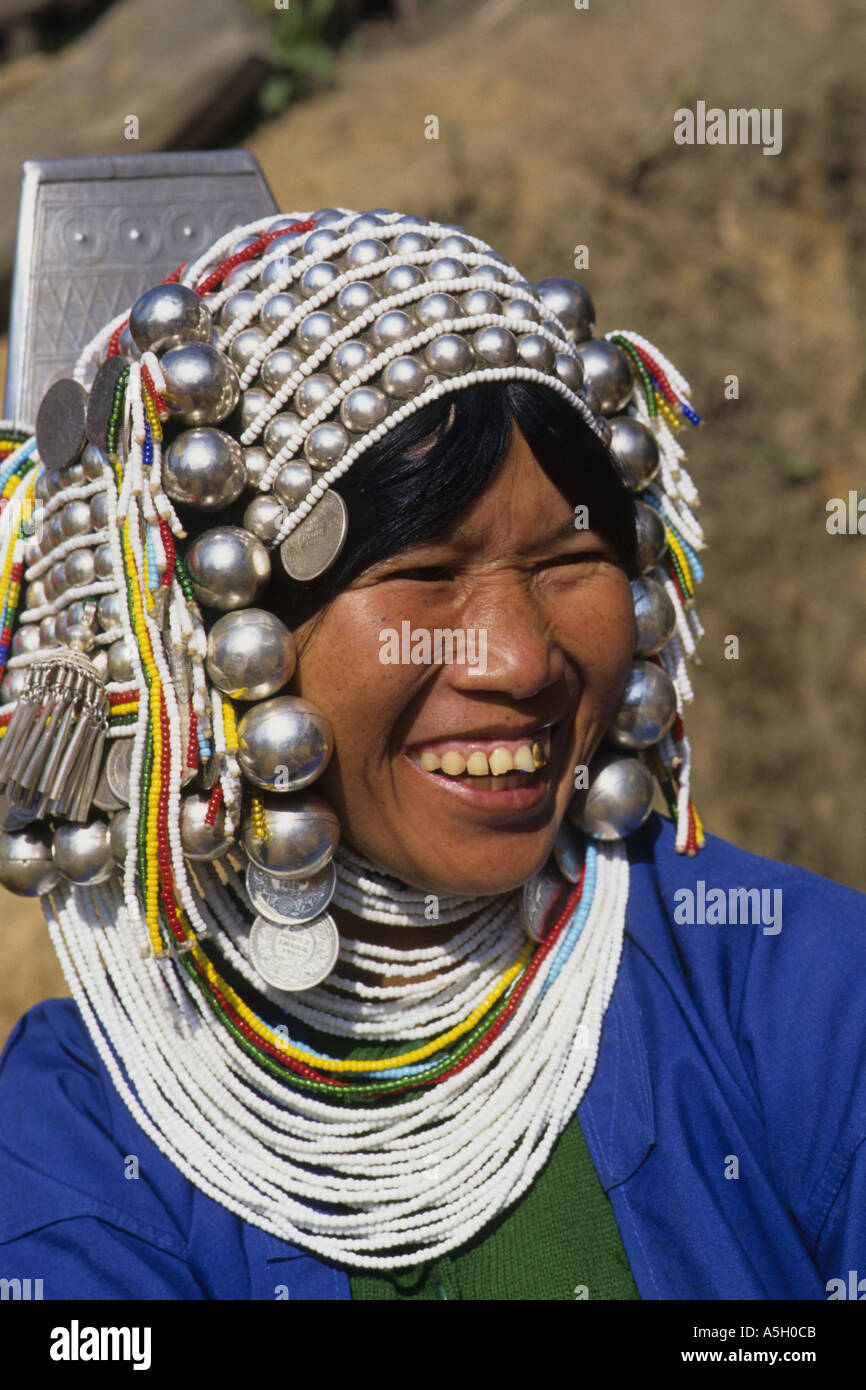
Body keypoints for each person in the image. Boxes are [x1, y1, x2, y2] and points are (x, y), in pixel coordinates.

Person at [0, 205, 863, 1302]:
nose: (516, 658)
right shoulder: (85, 1123)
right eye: (420, 576)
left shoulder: (792, 991)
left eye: (569, 559)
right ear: (214, 640)